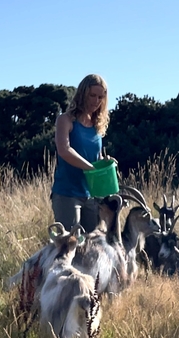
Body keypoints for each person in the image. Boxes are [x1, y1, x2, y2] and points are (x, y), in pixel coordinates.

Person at [51, 74, 110, 233]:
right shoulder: (65, 120)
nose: (96, 101)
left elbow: (96, 157)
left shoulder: (97, 125)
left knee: (94, 242)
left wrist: (105, 163)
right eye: (92, 95)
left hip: (91, 195)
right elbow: (64, 150)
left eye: (100, 97)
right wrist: (90, 168)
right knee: (71, 241)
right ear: (82, 94)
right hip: (67, 194)